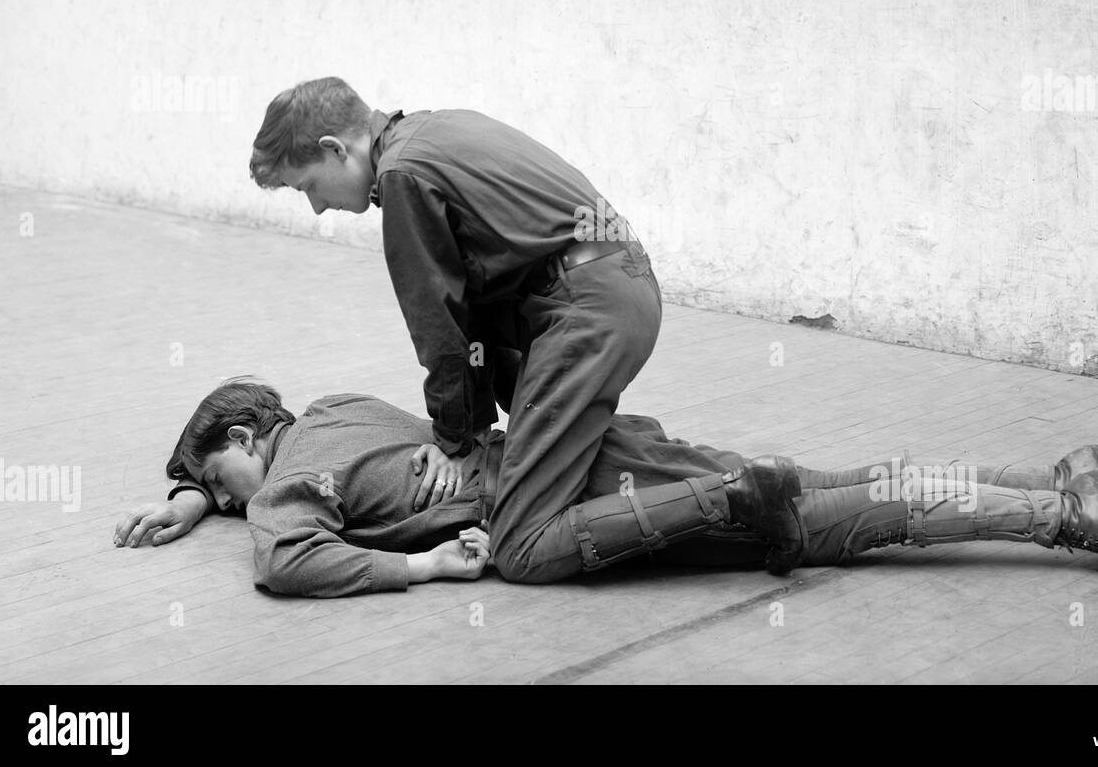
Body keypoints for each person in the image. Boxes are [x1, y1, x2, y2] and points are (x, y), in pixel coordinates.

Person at [161, 75, 809, 578]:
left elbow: (438, 328)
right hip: (612, 284)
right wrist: (470, 429)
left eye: (310, 184)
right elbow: (470, 313)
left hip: (587, 306)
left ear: (335, 148)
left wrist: (452, 438)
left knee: (523, 543)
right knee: (595, 459)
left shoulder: (403, 176)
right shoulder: (432, 132)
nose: (319, 206)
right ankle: (771, 483)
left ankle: (734, 493)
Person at [114, 379, 1098, 597]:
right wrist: (194, 496)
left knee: (830, 527)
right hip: (600, 449)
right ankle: (1056, 474)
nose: (234, 500)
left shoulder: (290, 481)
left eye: (223, 476)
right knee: (834, 485)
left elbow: (285, 560)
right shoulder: (337, 411)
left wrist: (423, 563)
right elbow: (261, 490)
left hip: (579, 512)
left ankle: (1062, 517)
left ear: (252, 437)